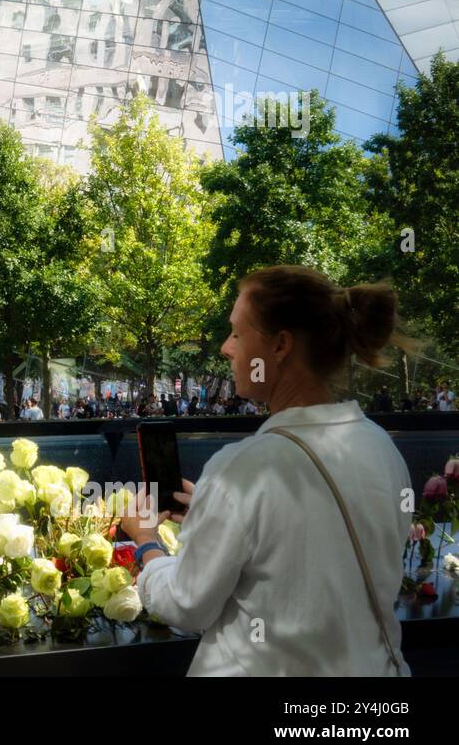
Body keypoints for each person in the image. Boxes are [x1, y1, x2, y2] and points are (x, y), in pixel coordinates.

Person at [125, 265, 414, 676]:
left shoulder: (242, 468)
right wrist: (214, 516)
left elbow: (187, 605)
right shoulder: (381, 446)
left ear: (280, 346)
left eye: (238, 334)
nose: (226, 347)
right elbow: (319, 556)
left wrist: (147, 543)